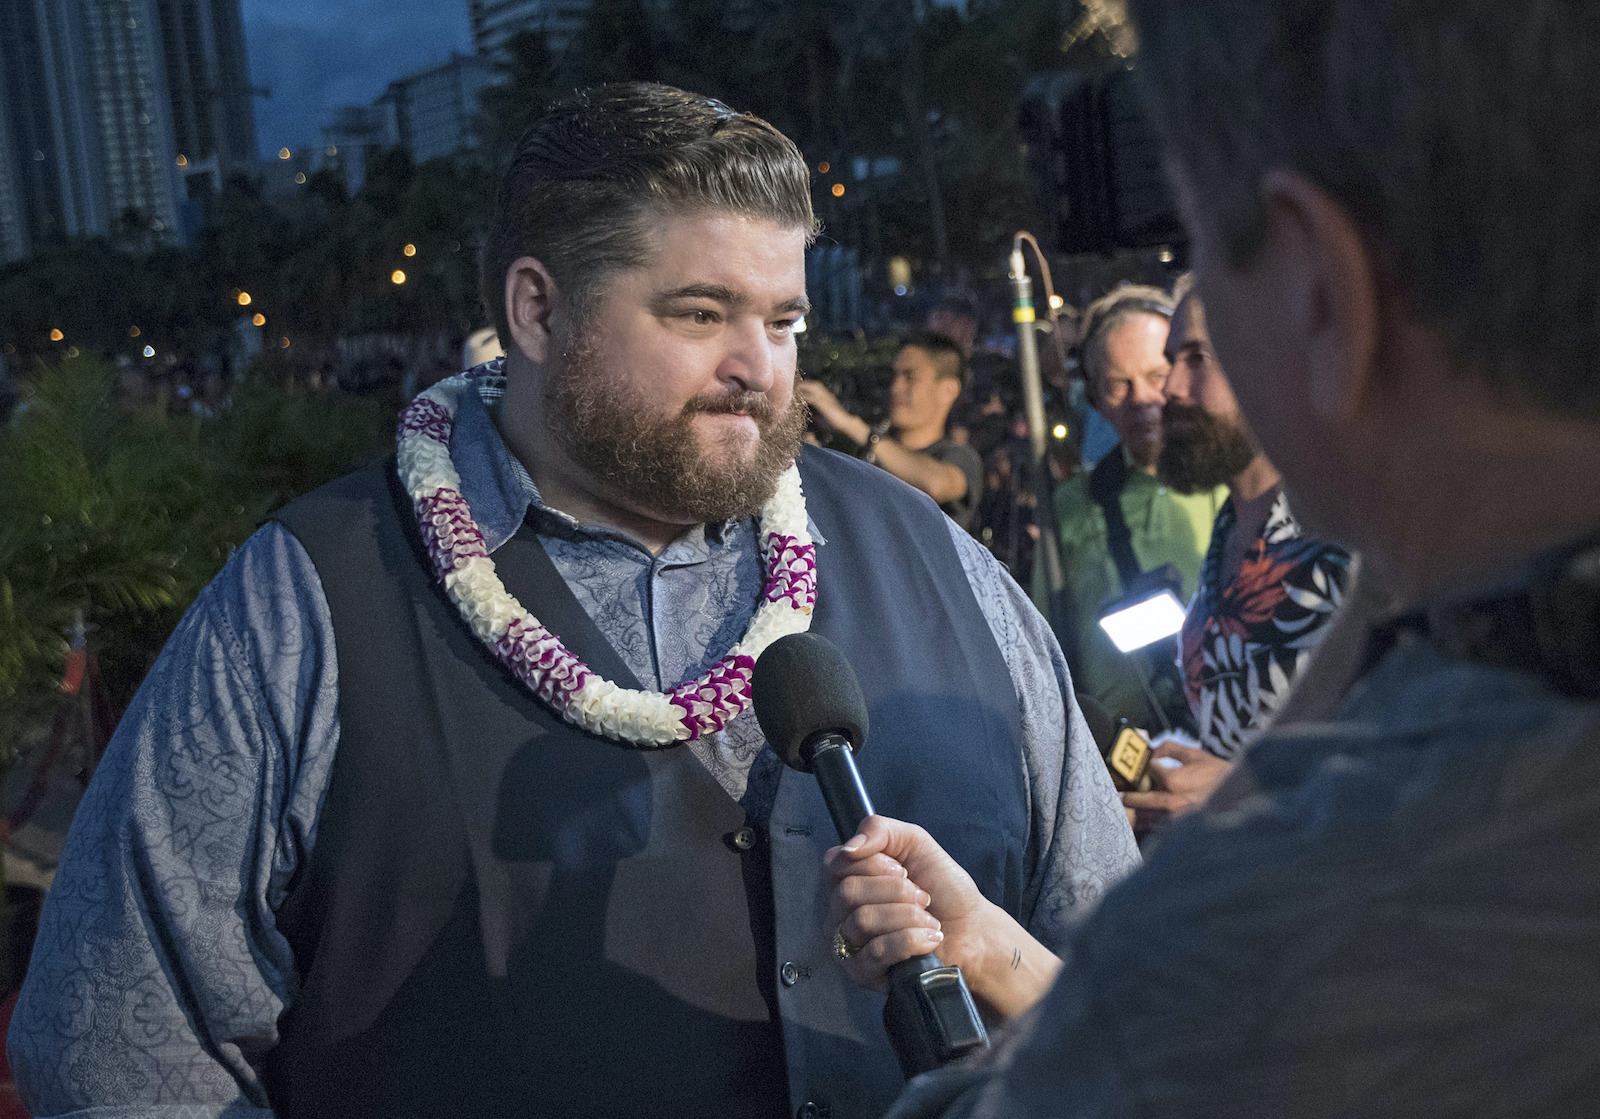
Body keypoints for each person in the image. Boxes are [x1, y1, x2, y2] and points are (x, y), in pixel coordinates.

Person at [8, 84, 1138, 1119]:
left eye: (784, 321)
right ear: (538, 312)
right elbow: (117, 1051)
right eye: (701, 314)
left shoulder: (940, 566)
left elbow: (1137, 967)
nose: (761, 365)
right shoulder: (306, 605)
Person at [827, 2, 1600, 1115]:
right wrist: (999, 949)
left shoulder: (1306, 922)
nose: (1178, 386)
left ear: (1320, 291)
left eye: (1203, 272)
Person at [1122, 277, 1353, 831]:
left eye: (1197, 357)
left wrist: (1244, 788)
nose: (1169, 387)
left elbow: (1419, 751)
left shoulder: (1346, 526)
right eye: (1171, 359)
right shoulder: (1229, 529)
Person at [1037, 285, 1225, 731]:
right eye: (1119, 384)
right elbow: (1045, 648)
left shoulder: (1235, 481)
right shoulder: (1071, 505)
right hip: (1124, 766)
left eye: (1157, 375)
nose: (1142, 399)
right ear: (1096, 399)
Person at [798, 333, 984, 532]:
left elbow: (937, 484)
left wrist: (849, 423)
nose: (896, 387)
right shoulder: (866, 453)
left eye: (910, 377)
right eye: (894, 377)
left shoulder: (959, 457)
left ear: (948, 390)